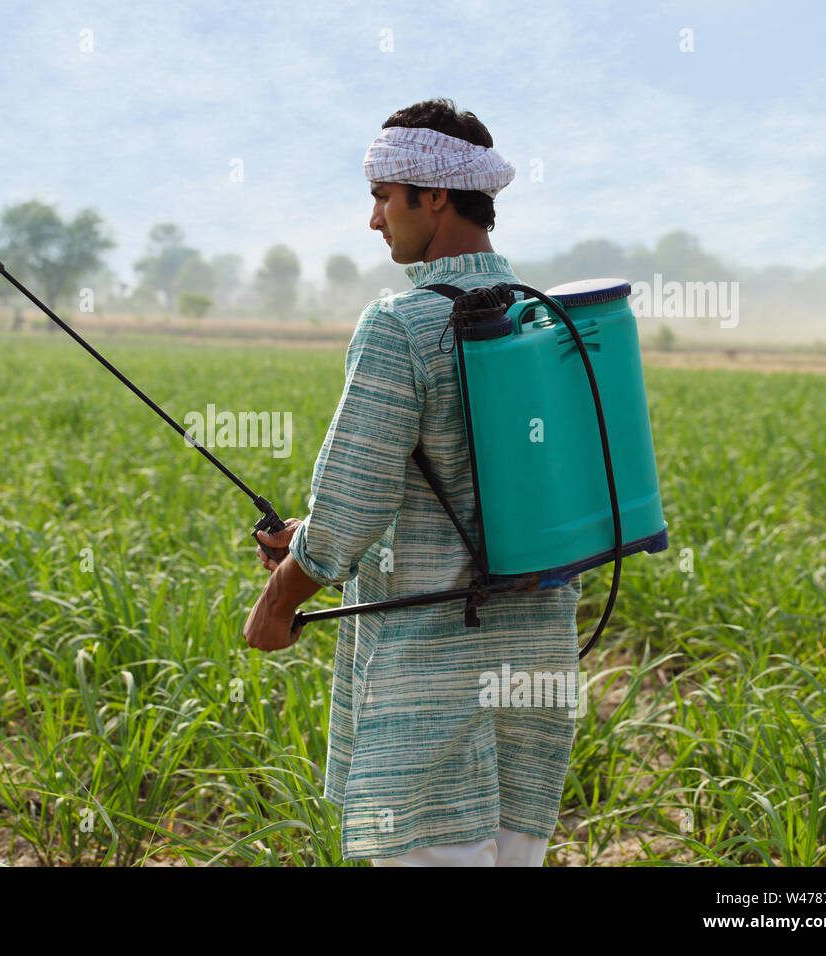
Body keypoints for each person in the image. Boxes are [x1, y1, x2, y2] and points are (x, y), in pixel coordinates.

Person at [241, 98, 582, 867]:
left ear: (434, 196)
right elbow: (496, 491)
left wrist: (277, 603)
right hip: (538, 677)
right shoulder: (549, 320)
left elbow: (351, 509)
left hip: (433, 684)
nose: (373, 221)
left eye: (382, 198)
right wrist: (317, 532)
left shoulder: (400, 327)